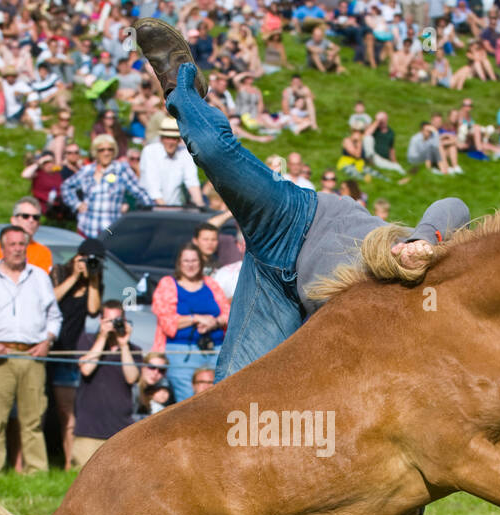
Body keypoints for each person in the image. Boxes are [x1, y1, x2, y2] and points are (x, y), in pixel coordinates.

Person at [133, 20, 470, 390]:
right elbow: (454, 205)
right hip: (294, 219)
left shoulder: (393, 343)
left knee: (233, 392)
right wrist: (424, 240)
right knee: (211, 149)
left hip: (280, 294)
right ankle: (182, 87)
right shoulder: (421, 270)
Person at [0, 225, 61, 475]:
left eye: (22, 244)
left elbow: (54, 316)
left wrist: (48, 340)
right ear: (2, 248)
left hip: (33, 355)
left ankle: (37, 472)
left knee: (33, 418)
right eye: (12, 244)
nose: (18, 249)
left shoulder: (40, 277)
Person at [152, 243, 230, 403]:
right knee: (188, 403)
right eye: (186, 261)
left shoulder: (210, 283)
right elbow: (167, 322)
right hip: (181, 353)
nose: (190, 265)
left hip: (215, 350)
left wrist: (214, 322)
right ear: (179, 263)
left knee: (217, 401)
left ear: (200, 263)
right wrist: (196, 318)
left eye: (194, 261)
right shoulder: (168, 284)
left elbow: (228, 313)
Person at [51, 238, 104, 467]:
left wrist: (92, 279)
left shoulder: (95, 280)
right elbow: (51, 300)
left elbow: (93, 310)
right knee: (40, 410)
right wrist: (74, 276)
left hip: (69, 354)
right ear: (77, 257)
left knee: (67, 412)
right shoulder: (59, 272)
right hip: (48, 348)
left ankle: (68, 463)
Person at [72, 300, 142, 470]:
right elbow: (86, 369)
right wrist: (102, 337)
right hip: (88, 430)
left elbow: (132, 378)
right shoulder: (87, 340)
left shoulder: (133, 349)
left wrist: (123, 344)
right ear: (100, 321)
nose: (113, 325)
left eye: (117, 320)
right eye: (108, 320)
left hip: (120, 430)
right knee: (82, 478)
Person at [60, 134, 153, 238]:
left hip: (110, 231)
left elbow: (141, 193)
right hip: (86, 228)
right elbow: (66, 186)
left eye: (110, 149)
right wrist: (77, 204)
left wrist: (151, 215)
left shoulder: (121, 169)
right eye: (102, 150)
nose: (106, 153)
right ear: (96, 152)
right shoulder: (87, 170)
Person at [138, 117, 203, 207]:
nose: (170, 142)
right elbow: (152, 187)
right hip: (149, 207)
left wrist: (200, 204)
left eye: (174, 138)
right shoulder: (150, 151)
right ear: (161, 138)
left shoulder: (184, 154)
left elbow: (192, 182)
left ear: (179, 140)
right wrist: (165, 209)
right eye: (167, 138)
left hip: (174, 208)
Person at [0, 198, 53, 273]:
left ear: (38, 224)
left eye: (35, 217)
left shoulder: (43, 253)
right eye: (25, 216)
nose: (31, 220)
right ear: (13, 220)